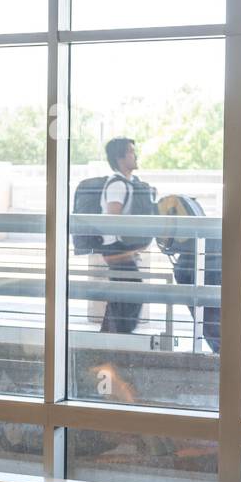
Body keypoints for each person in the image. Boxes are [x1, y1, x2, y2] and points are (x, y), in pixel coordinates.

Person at [92, 137, 150, 335]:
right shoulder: (117, 185)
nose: (135, 156)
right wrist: (132, 248)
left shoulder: (127, 183)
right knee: (129, 296)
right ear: (119, 158)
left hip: (122, 249)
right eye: (131, 152)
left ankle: (108, 345)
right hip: (116, 249)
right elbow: (113, 218)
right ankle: (114, 343)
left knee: (121, 301)